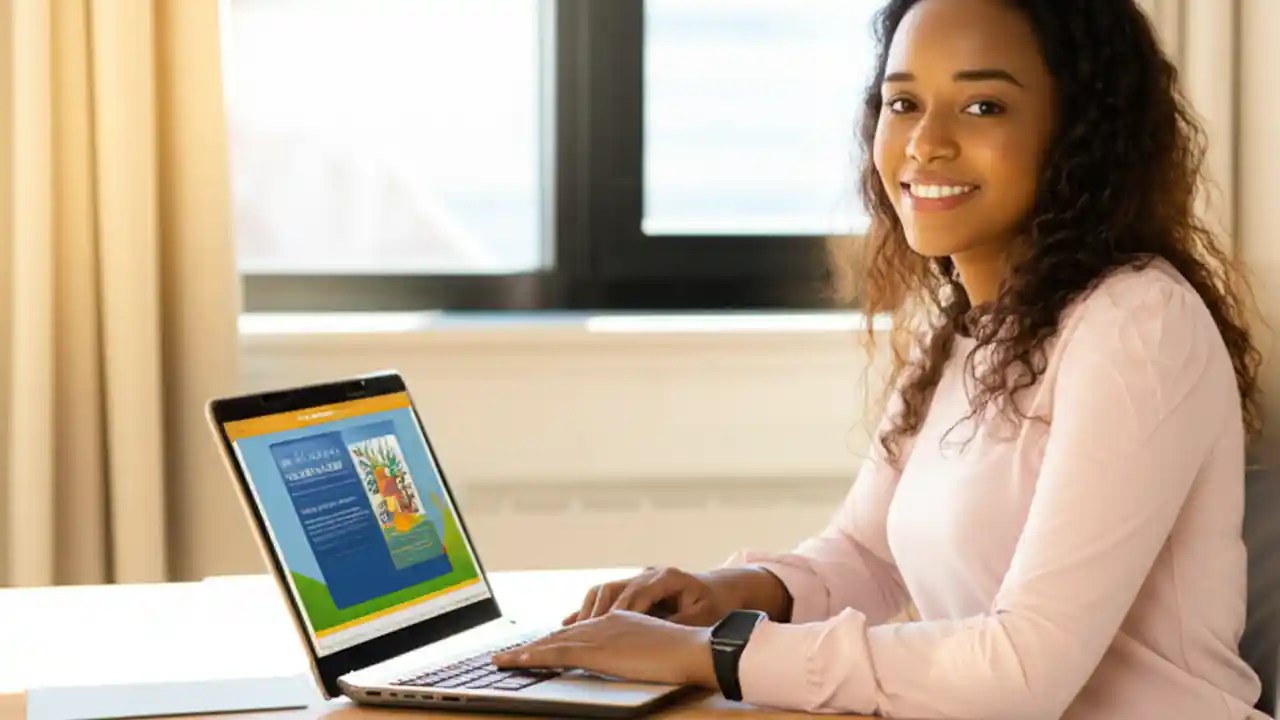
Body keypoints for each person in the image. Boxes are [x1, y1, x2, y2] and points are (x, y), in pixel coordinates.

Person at [493, 0, 1267, 717]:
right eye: (903, 103)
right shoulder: (963, 320)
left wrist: (709, 654)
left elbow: (1024, 669)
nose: (926, 142)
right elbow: (867, 553)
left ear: (1080, 132)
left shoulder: (1137, 320)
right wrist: (721, 594)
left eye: (983, 105)